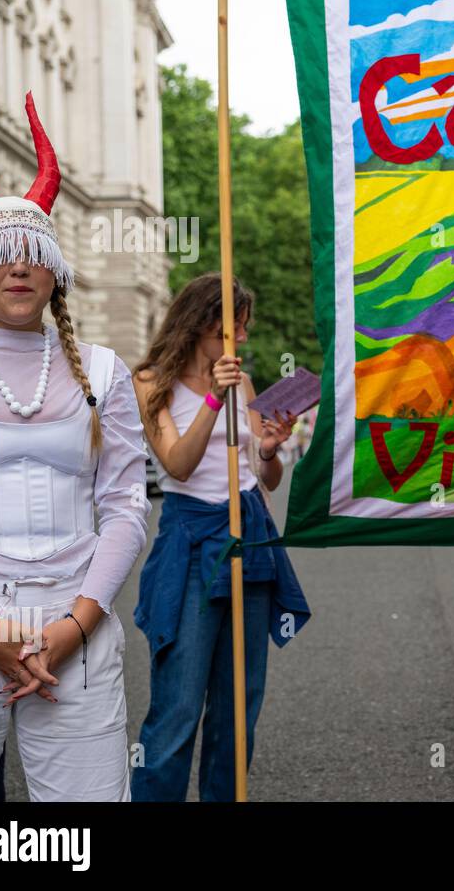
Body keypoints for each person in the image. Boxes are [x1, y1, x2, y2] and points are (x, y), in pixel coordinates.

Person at [0, 89, 150, 801]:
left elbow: (124, 505)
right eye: (1, 254)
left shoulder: (103, 371)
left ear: (56, 269)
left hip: (75, 629)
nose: (19, 267)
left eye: (35, 253)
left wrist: (76, 623)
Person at [129, 273, 309, 801]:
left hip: (249, 537)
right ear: (206, 324)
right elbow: (178, 466)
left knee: (238, 706)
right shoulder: (149, 380)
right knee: (179, 704)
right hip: (190, 544)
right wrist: (212, 399)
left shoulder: (246, 385)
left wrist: (271, 448)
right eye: (238, 328)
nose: (245, 340)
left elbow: (263, 478)